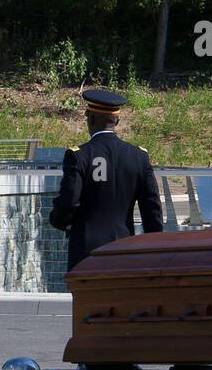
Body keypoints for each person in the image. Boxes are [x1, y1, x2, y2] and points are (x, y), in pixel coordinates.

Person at [50, 88, 164, 272]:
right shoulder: (138, 157)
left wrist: (59, 221)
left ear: (91, 119)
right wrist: (153, 249)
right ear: (117, 120)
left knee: (88, 301)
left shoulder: (79, 156)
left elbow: (69, 201)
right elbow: (152, 210)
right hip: (125, 252)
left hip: (86, 254)